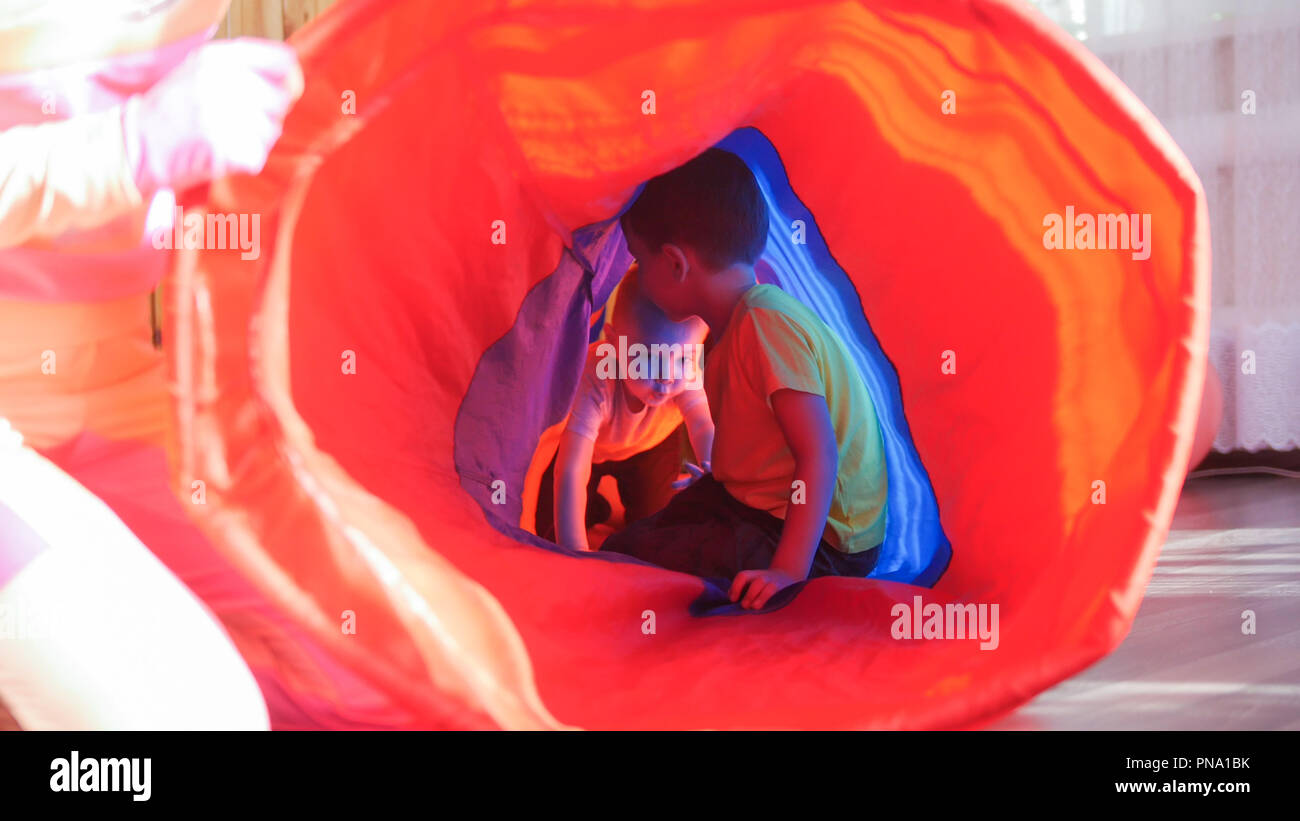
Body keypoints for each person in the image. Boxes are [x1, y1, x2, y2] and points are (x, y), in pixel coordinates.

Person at [604, 148, 888, 610]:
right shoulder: (731, 327)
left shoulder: (765, 323)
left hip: (824, 542)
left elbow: (818, 453)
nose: (635, 270)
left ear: (675, 263)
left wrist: (787, 572)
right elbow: (765, 432)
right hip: (764, 504)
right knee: (645, 535)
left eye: (638, 257)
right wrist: (731, 476)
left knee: (629, 561)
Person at [538, 267, 714, 551]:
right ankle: (595, 508)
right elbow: (571, 470)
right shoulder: (596, 378)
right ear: (614, 345)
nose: (667, 378)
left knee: (654, 528)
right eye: (648, 359)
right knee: (549, 529)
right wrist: (575, 550)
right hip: (592, 450)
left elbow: (703, 424)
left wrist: (712, 469)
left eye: (685, 358)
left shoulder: (685, 371)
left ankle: (611, 511)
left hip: (651, 447)